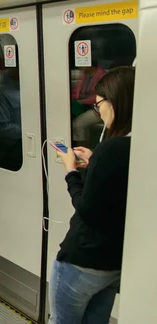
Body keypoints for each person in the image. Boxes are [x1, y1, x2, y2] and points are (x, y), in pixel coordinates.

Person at [51, 67, 134, 324]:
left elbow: (86, 209)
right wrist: (95, 160)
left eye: (99, 106)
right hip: (114, 262)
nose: (98, 113)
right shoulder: (138, 143)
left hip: (83, 260)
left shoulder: (111, 148)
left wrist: (70, 171)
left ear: (115, 102)